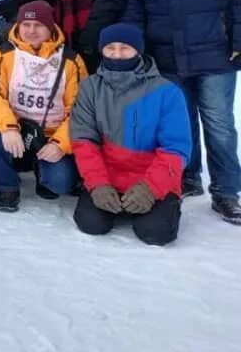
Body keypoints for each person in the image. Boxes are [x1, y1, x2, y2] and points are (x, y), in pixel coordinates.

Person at [122, 0, 241, 223]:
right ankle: (187, 178)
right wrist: (135, 47)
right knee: (179, 121)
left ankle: (226, 191)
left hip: (216, 50)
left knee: (218, 123)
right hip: (165, 51)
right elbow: (134, 4)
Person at [70, 24, 191, 245]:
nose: (116, 54)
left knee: (155, 233)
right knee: (91, 224)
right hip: (108, 176)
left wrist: (151, 188)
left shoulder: (167, 92)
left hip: (151, 176)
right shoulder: (90, 88)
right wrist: (98, 184)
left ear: (138, 50)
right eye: (110, 48)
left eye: (125, 48)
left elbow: (176, 148)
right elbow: (84, 141)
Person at [0, 0, 88, 212]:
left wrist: (60, 143)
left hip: (50, 134)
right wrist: (8, 127)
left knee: (59, 183)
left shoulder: (71, 60)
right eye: (26, 25)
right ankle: (8, 186)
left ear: (50, 27)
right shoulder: (3, 54)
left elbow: (80, 108)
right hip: (16, 129)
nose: (31, 31)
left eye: (38, 25)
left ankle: (43, 173)